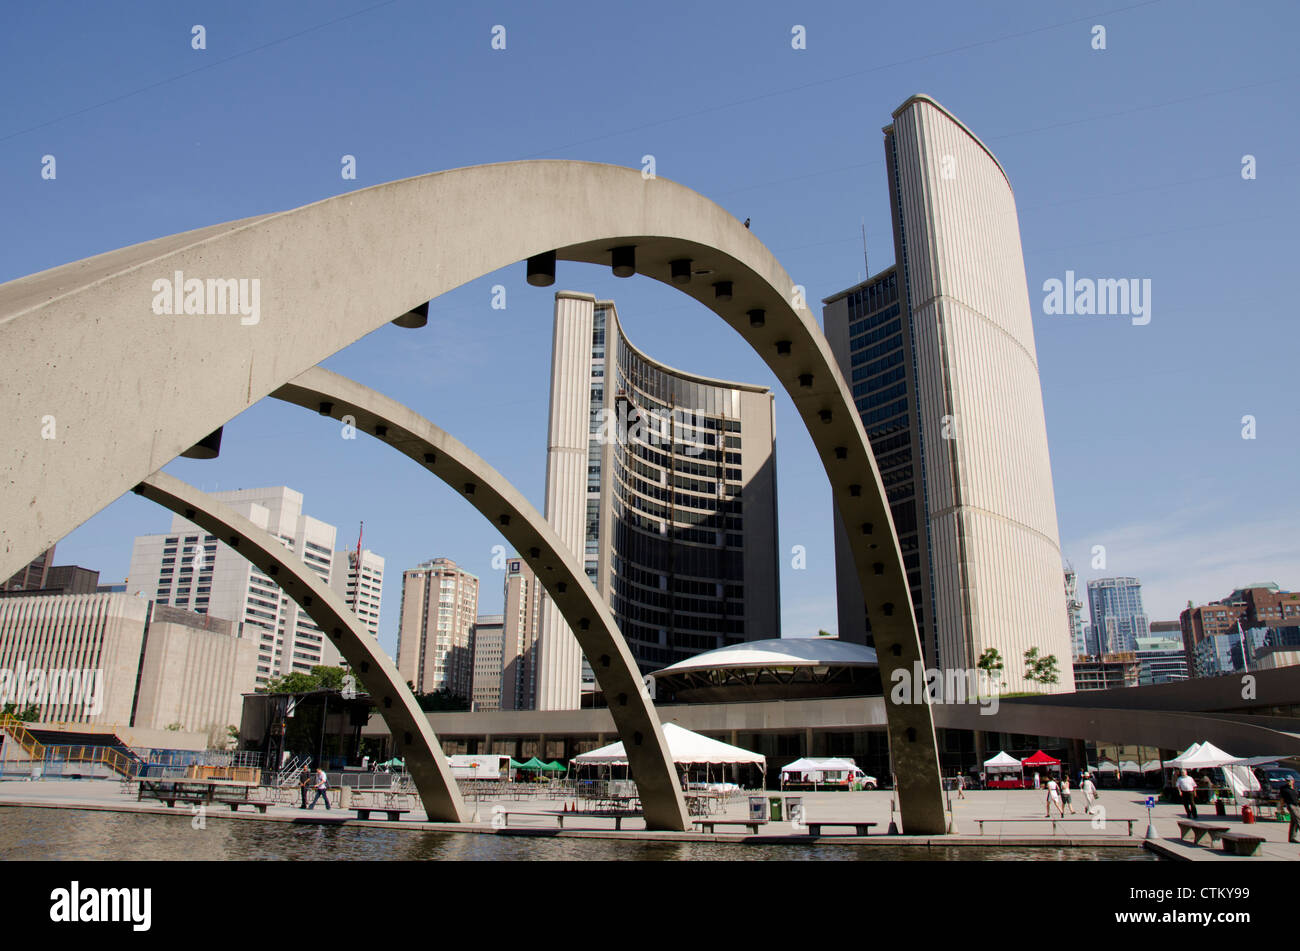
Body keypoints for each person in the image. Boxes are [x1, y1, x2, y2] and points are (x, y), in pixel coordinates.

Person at [1279, 777, 1300, 844]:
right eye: (1287, 781)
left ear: (1293, 781)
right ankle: (1292, 838)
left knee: (1294, 822)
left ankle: (1292, 838)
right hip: (1290, 805)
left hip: (1296, 805)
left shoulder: (1295, 788)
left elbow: (1298, 797)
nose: (1288, 782)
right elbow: (1282, 799)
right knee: (1298, 820)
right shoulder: (1284, 789)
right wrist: (1281, 808)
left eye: (1289, 781)